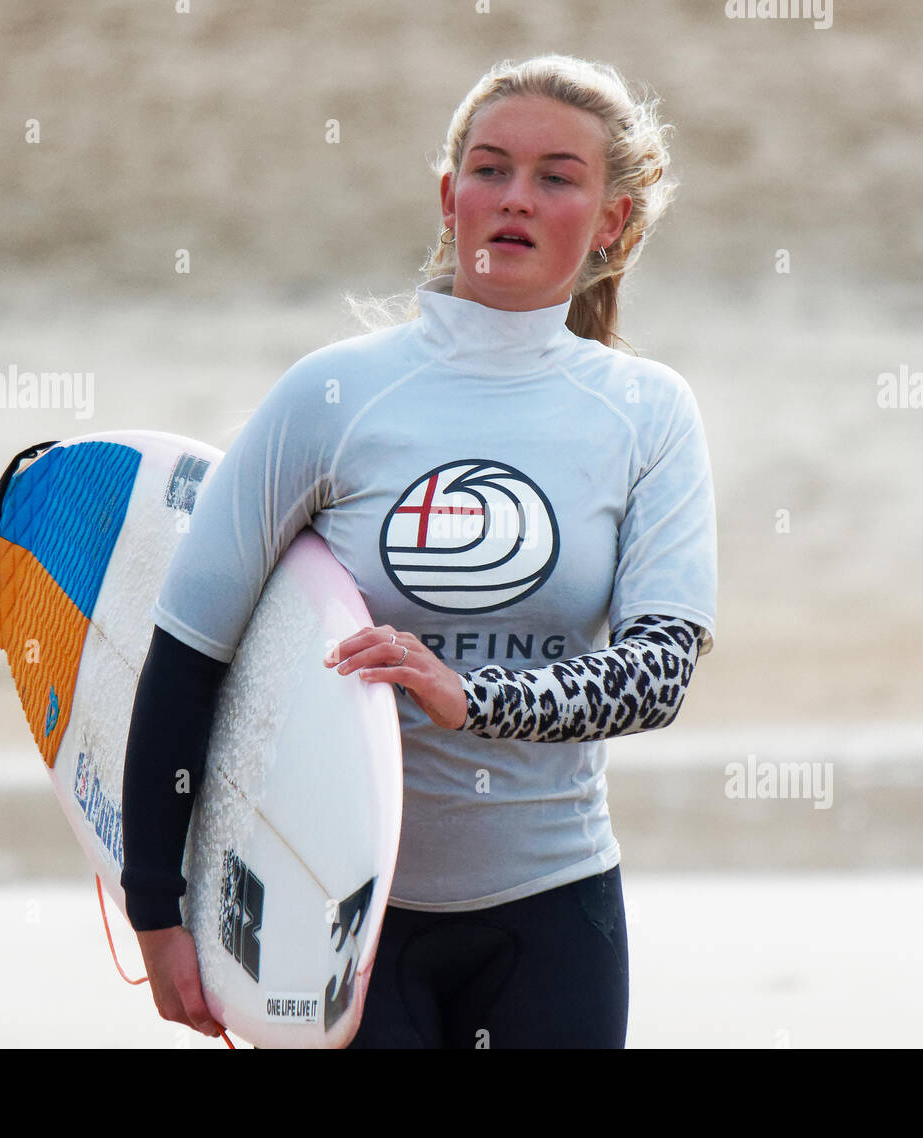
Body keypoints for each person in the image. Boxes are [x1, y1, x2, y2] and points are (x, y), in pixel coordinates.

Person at [120, 53, 717, 1049]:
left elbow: (656, 675)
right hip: (337, 916)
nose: (515, 198)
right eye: (490, 169)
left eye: (557, 177)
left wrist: (472, 698)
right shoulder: (336, 394)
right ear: (449, 196)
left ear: (612, 219)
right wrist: (156, 909)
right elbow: (187, 652)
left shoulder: (645, 413)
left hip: (552, 910)